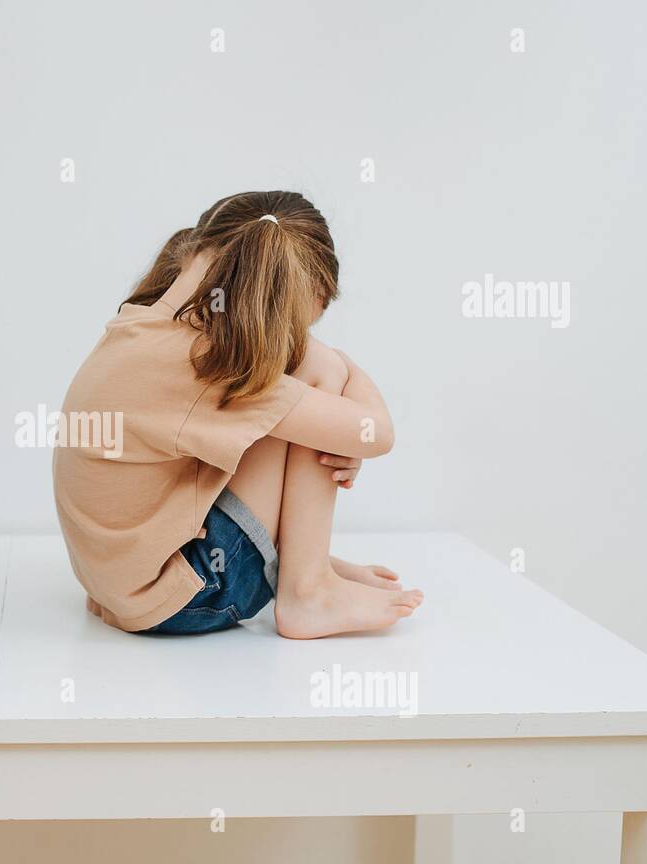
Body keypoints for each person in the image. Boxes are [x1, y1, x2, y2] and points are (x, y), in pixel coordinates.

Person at [52, 191, 424, 639]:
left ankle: (301, 561)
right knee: (318, 368)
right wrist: (344, 368)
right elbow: (376, 434)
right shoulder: (204, 364)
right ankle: (308, 591)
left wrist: (339, 431)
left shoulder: (142, 323)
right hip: (182, 597)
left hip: (117, 583)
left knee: (303, 397)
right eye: (295, 326)